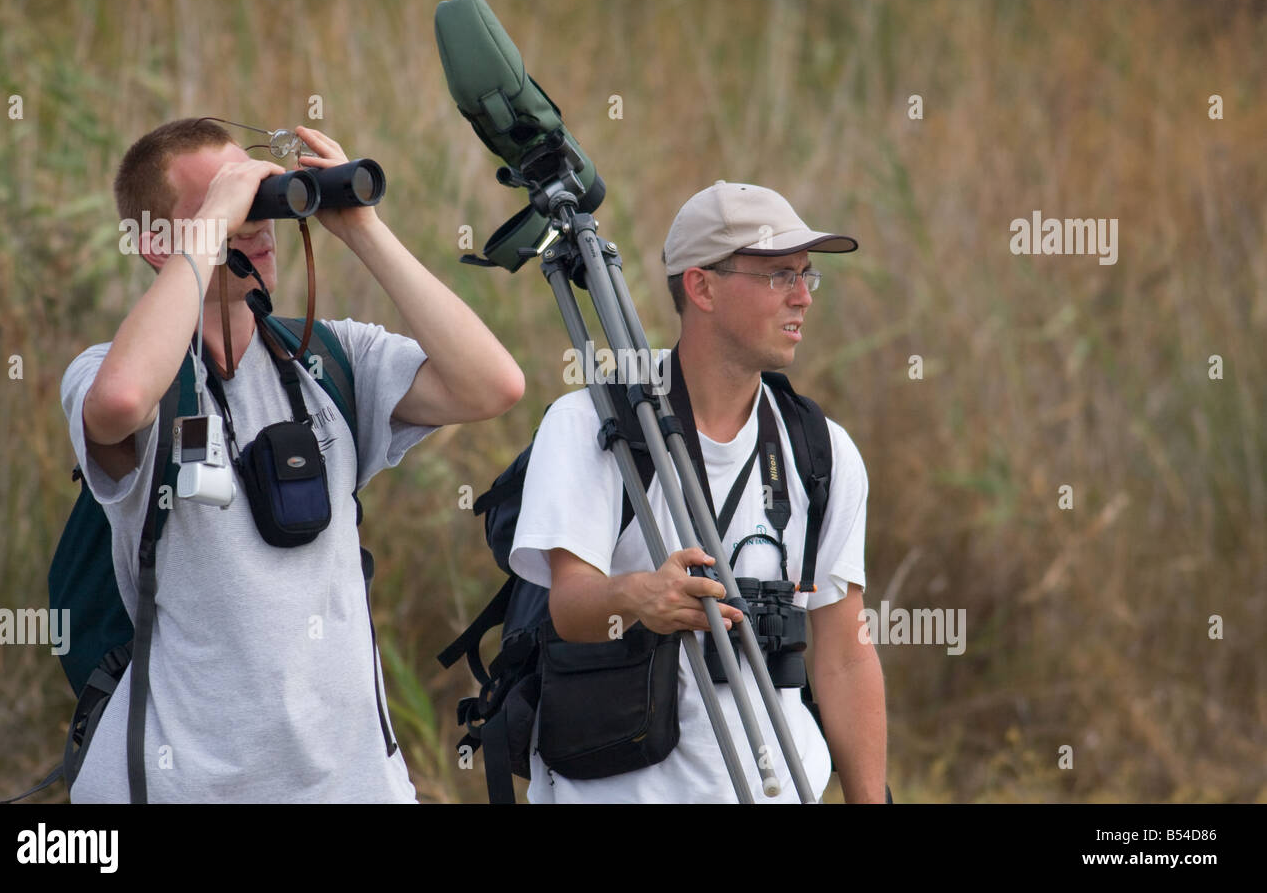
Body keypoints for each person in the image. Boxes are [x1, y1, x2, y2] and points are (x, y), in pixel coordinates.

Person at [60, 118, 524, 802]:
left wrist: (361, 227)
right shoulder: (110, 372)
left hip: (353, 783)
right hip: (184, 784)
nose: (254, 223)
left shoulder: (329, 361)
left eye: (258, 202)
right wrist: (214, 221)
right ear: (157, 244)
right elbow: (123, 400)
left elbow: (494, 385)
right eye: (223, 205)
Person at [509, 181, 887, 803]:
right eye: (778, 276)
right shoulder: (593, 424)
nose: (802, 298)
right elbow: (570, 610)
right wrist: (640, 596)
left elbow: (845, 655)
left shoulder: (822, 451)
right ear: (701, 286)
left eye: (807, 277)